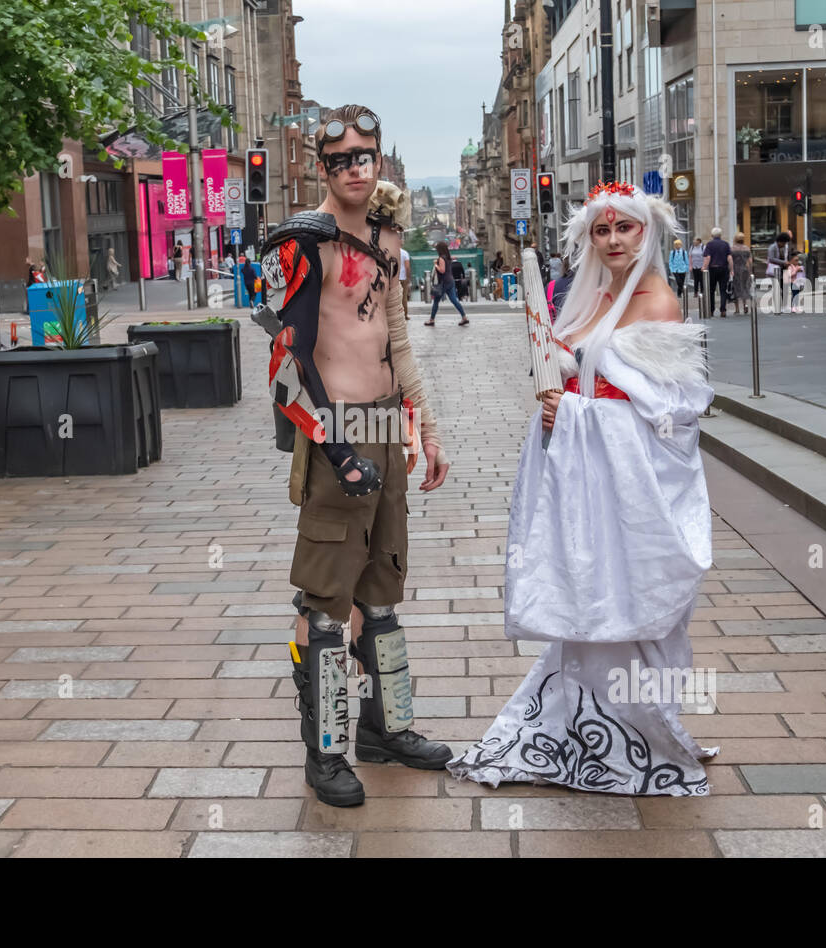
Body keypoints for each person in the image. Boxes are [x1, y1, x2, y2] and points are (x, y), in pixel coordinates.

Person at [448, 180, 718, 797]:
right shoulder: (590, 297)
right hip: (584, 481)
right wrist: (558, 398)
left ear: (647, 233)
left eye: (625, 227)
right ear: (590, 237)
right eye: (603, 229)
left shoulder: (657, 303)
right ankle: (579, 726)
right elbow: (577, 374)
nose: (615, 239)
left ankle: (633, 735)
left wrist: (572, 411)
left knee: (618, 595)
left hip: (626, 489)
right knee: (584, 589)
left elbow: (672, 415)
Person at [258, 104, 452, 807]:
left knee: (382, 587)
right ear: (322, 167)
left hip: (385, 427)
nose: (355, 171)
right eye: (340, 162)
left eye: (365, 157)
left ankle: (387, 728)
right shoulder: (303, 244)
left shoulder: (387, 238)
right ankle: (327, 751)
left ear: (379, 159)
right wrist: (336, 451)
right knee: (325, 598)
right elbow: (289, 364)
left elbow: (398, 342)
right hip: (334, 430)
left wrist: (425, 431)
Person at [425, 240, 468, 326]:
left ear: (439, 250)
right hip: (450, 281)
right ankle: (464, 317)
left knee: (436, 301)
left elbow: (442, 270)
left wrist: (435, 265)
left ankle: (431, 320)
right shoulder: (448, 257)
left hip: (443, 282)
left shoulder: (441, 258)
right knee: (454, 300)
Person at [704, 226, 731, 318]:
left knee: (711, 291)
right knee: (723, 290)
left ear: (712, 235)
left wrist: (704, 267)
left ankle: (711, 310)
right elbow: (729, 258)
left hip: (712, 269)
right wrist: (732, 269)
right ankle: (723, 310)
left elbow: (708, 257)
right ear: (720, 235)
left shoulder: (709, 244)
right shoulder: (725, 244)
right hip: (724, 269)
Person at [730, 232, 754, 315]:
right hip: (745, 270)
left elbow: (730, 260)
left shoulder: (732, 249)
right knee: (745, 287)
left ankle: (737, 309)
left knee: (735, 288)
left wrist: (730, 270)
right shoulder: (747, 248)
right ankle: (745, 305)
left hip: (736, 270)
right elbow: (750, 261)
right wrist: (750, 271)